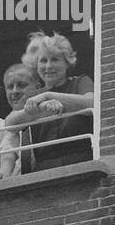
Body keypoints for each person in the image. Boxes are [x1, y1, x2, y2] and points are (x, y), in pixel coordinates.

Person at [9, 32, 94, 170]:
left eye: (55, 59)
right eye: (43, 61)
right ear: (36, 66)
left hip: (82, 163)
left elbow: (92, 103)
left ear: (67, 63)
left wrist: (48, 96)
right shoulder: (33, 96)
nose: (48, 66)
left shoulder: (80, 82)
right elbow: (10, 123)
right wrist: (40, 108)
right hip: (44, 170)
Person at [1, 62, 42, 175]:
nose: (15, 91)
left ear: (37, 88)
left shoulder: (50, 108)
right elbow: (8, 154)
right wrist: (2, 178)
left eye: (21, 85)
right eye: (10, 87)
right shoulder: (5, 123)